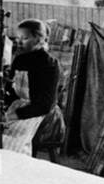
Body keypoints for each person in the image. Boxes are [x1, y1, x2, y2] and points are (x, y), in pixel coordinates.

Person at [5, 19, 66, 157]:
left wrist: (15, 115)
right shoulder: (19, 60)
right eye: (17, 38)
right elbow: (11, 91)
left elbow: (45, 105)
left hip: (44, 115)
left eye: (24, 38)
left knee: (9, 141)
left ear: (39, 39)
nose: (19, 42)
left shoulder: (49, 64)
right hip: (21, 108)